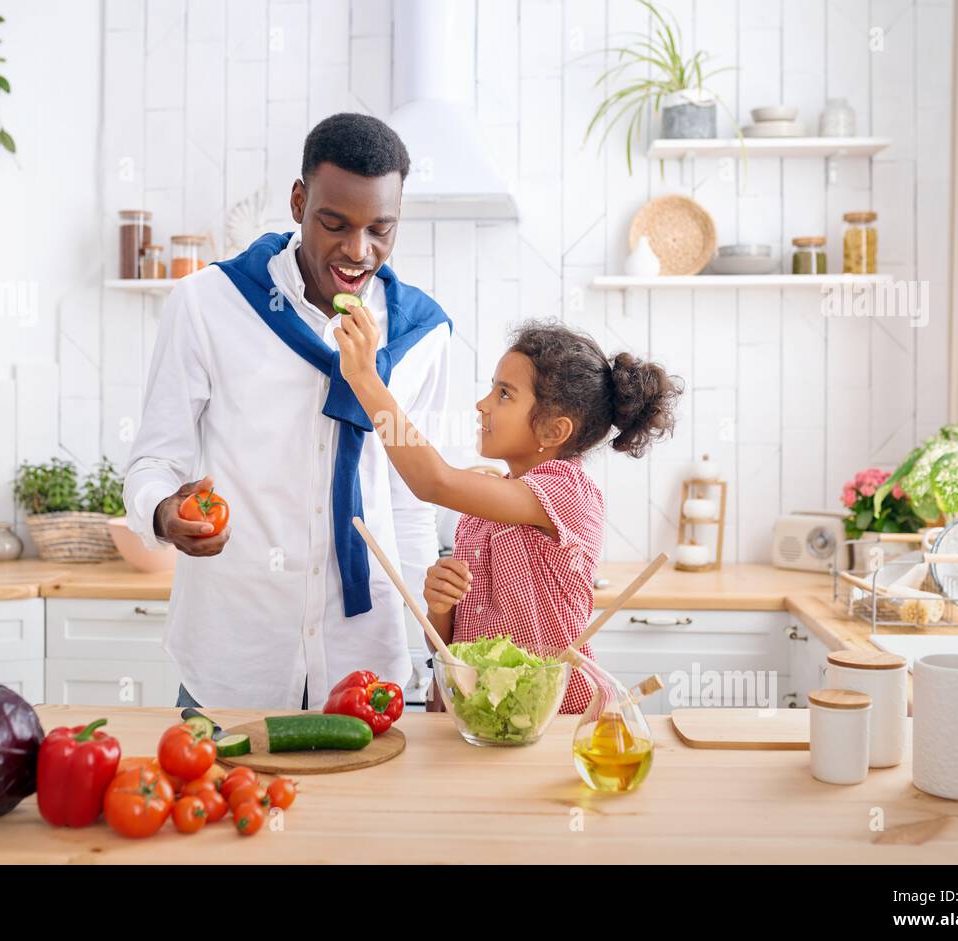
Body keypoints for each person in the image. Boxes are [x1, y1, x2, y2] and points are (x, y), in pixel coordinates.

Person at [123, 113, 451, 710]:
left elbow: (410, 504)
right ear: (299, 202)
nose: (358, 251)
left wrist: (437, 646)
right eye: (335, 224)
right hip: (232, 660)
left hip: (368, 668)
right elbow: (152, 462)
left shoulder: (421, 334)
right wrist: (165, 514)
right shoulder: (209, 304)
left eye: (381, 229)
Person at [335, 310, 681, 713]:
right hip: (474, 716)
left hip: (549, 720)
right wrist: (440, 607)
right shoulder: (479, 514)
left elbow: (434, 482)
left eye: (504, 394)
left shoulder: (567, 490)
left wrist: (363, 376)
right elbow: (446, 646)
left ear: (554, 431)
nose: (482, 404)